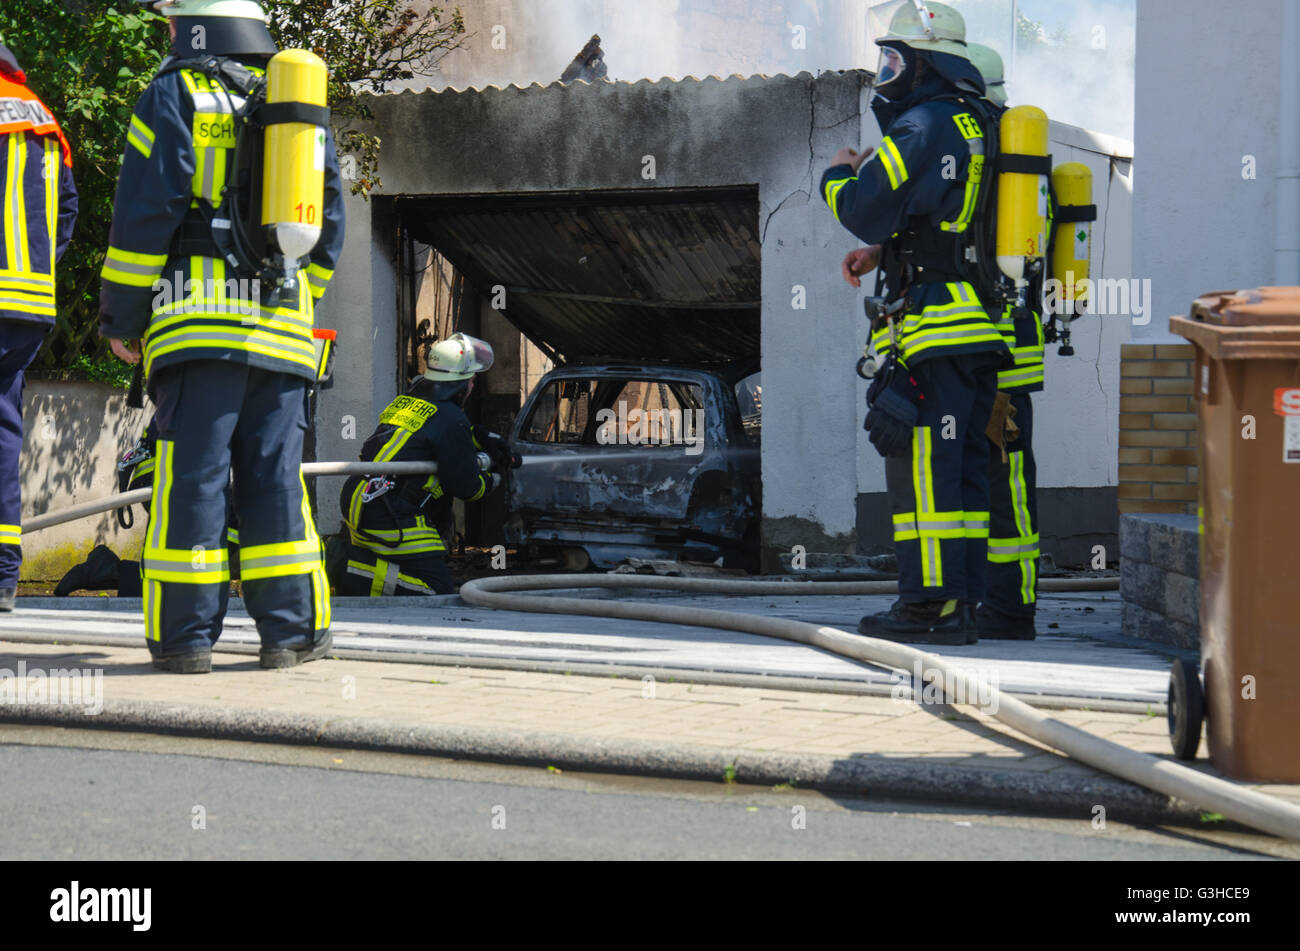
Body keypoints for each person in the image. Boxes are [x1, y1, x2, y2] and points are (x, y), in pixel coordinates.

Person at [100, 0, 345, 673]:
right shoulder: (296, 101)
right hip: (284, 329)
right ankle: (291, 635)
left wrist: (122, 319)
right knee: (275, 480)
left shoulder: (174, 95)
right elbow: (330, 225)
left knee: (193, 482)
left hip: (198, 327)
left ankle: (185, 642)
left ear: (186, 24)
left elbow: (147, 214)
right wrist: (296, 298)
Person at [821, 1, 1008, 644]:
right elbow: (943, 221)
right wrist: (886, 254)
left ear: (925, 64)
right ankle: (963, 605)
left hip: (930, 331)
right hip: (974, 328)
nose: (887, 71)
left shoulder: (923, 126)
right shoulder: (978, 121)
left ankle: (926, 608)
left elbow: (865, 207)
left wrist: (838, 174)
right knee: (962, 474)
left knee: (922, 474)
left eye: (895, 58)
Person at [337, 334, 510, 596]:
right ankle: (349, 570)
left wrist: (476, 436)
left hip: (361, 495)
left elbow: (425, 436)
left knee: (410, 566)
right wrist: (496, 476)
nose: (474, 385)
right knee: (436, 591)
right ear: (460, 385)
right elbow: (467, 487)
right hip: (389, 512)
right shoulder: (452, 418)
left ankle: (354, 563)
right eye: (472, 380)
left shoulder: (408, 401)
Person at [967, 42, 1042, 641]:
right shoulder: (1022, 158)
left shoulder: (987, 153)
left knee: (1004, 476)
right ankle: (992, 599)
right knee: (1000, 474)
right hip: (1010, 348)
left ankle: (1012, 607)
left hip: (998, 358)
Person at [0, 35, 78, 613]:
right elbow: (67, 210)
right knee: (4, 430)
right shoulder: (45, 121)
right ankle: (4, 573)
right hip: (28, 301)